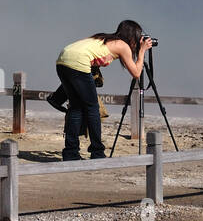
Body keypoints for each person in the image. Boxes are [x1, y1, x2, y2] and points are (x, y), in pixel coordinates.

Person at [48, 20, 153, 161]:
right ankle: (97, 152)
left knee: (76, 107)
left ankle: (70, 152)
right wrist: (142, 51)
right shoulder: (122, 45)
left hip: (62, 60)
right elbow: (136, 73)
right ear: (132, 36)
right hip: (78, 62)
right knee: (92, 109)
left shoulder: (102, 38)